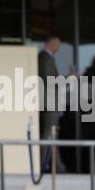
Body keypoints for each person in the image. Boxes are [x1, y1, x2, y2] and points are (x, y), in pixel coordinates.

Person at [37, 36, 65, 172]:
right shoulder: (45, 58)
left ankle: (57, 165)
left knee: (52, 133)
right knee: (49, 132)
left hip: (50, 101)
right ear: (51, 44)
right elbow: (49, 80)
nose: (59, 49)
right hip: (50, 102)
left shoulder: (45, 58)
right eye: (57, 45)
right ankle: (42, 164)